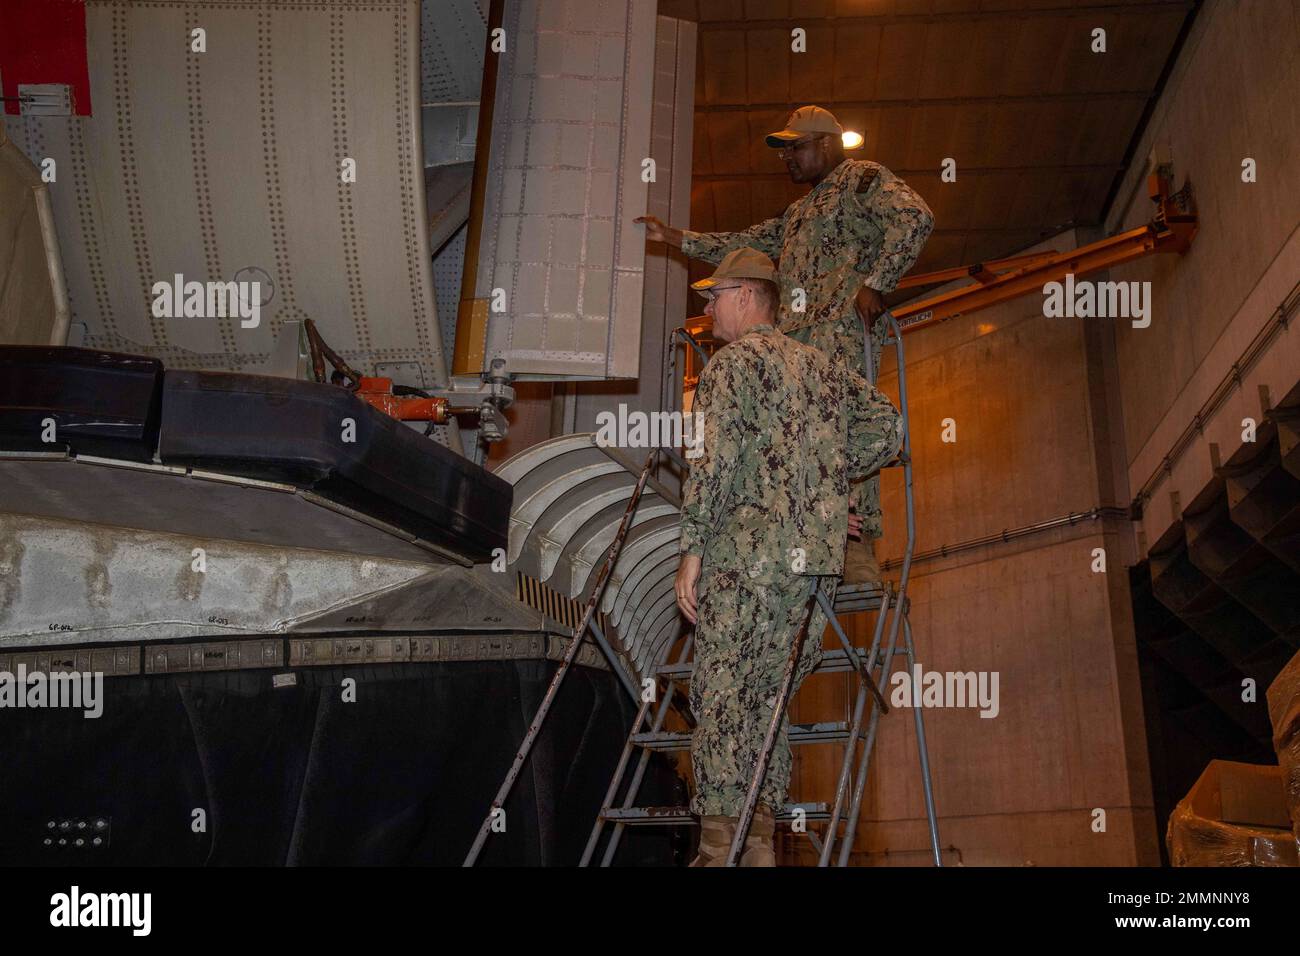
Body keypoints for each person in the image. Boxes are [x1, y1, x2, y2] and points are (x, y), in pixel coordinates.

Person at [675, 246, 903, 866]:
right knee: (768, 702)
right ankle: (758, 848)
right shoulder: (822, 367)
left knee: (724, 697)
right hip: (811, 566)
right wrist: (824, 487)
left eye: (715, 297)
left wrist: (691, 551)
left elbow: (712, 465)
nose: (709, 310)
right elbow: (889, 427)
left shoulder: (730, 366)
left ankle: (724, 849)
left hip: (745, 559)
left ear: (747, 297)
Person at [640, 105, 932, 585]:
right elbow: (742, 242)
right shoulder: (798, 214)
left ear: (827, 145)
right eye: (785, 149)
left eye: (796, 147)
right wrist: (674, 237)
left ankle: (852, 546)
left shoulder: (861, 179)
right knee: (792, 446)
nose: (787, 158)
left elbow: (915, 216)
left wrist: (878, 282)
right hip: (795, 352)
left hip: (838, 343)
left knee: (838, 436)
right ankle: (798, 536)